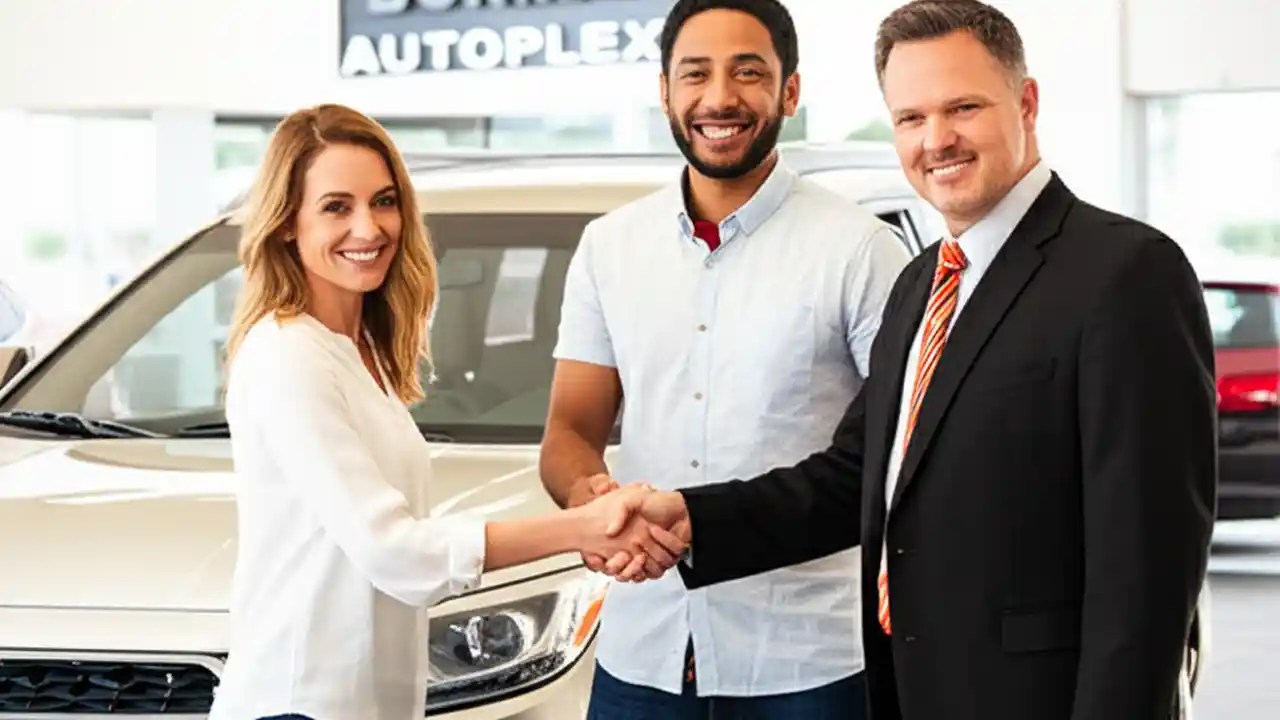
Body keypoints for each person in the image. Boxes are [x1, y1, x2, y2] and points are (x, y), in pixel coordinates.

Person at [603, 2, 1218, 719]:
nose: (937, 140)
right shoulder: (923, 281)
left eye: (963, 108)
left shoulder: (1126, 273)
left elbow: (1146, 573)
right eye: (910, 118)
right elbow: (855, 480)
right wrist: (690, 519)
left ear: (1026, 104)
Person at [207, 104, 683, 720]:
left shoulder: (357, 352)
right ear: (286, 225)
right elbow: (397, 553)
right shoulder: (286, 353)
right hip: (299, 703)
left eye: (383, 201)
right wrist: (584, 528)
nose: (369, 227)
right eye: (336, 207)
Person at [538, 0, 912, 717]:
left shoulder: (861, 251)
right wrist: (599, 508)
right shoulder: (610, 247)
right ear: (666, 92)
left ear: (789, 93)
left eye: (748, 72)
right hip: (640, 647)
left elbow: (888, 461)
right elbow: (570, 432)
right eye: (696, 74)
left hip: (808, 662)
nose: (719, 98)